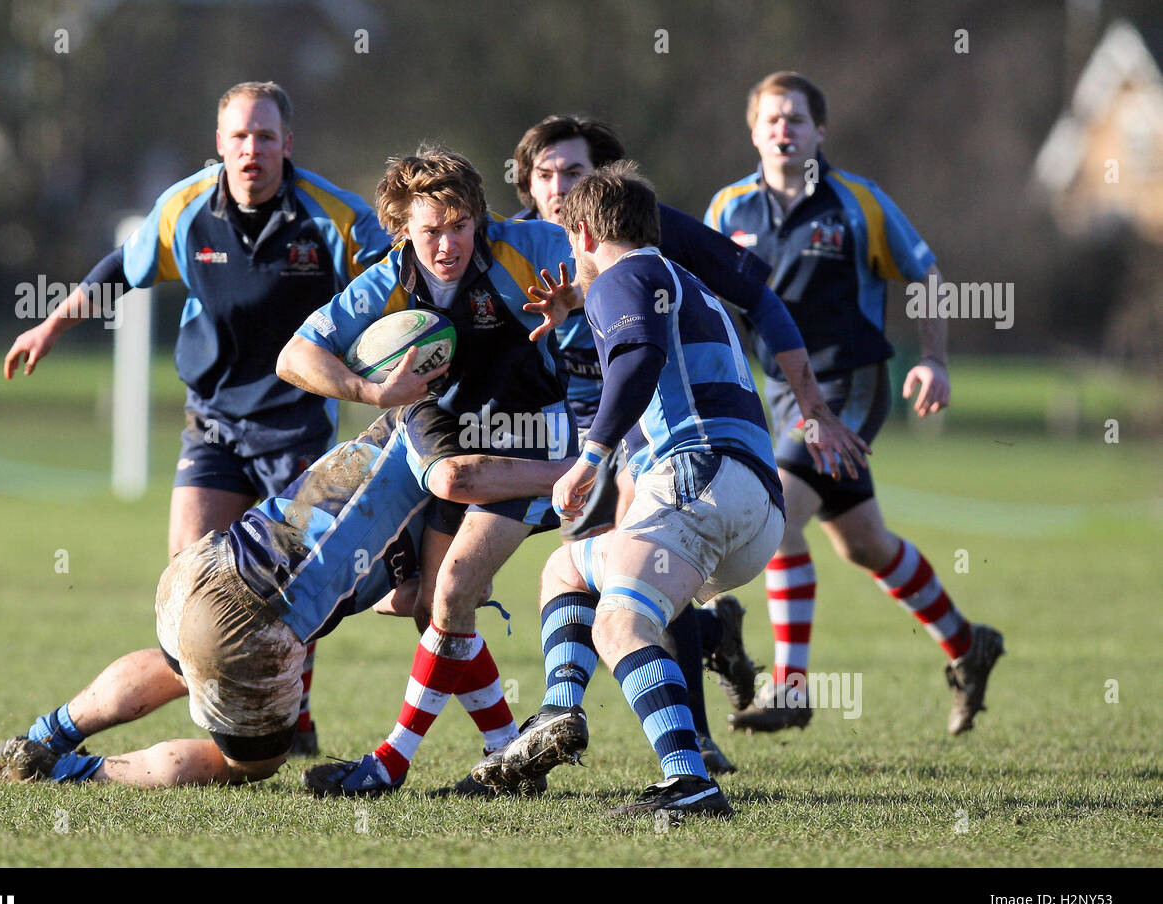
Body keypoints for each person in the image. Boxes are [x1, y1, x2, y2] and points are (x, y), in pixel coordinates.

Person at [2, 82, 394, 755]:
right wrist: (53, 325)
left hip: (296, 427)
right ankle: (225, 710)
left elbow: (403, 284)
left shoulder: (334, 218)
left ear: (287, 145)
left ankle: (293, 716)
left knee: (285, 595)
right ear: (220, 144)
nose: (252, 150)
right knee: (190, 594)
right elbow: (119, 273)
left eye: (265, 137)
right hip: (213, 421)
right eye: (239, 136)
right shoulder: (185, 210)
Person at [473, 162, 856, 819]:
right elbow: (649, 348)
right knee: (568, 568)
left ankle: (691, 781)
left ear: (587, 234)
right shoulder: (683, 281)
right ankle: (560, 713)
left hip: (696, 476)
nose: (571, 255)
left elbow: (640, 357)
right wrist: (573, 316)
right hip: (754, 507)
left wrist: (589, 457)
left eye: (570, 242)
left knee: (619, 624)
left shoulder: (624, 276)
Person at [0, 404, 572, 790]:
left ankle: (44, 735)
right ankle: (74, 773)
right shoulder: (439, 439)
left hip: (202, 569)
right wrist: (576, 470)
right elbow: (438, 596)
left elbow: (404, 594)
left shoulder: (391, 433)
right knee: (251, 763)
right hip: (250, 619)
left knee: (180, 665)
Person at [703, 72, 1003, 734]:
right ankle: (967, 644)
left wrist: (935, 359)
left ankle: (790, 686)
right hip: (781, 395)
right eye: (772, 119)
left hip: (851, 384)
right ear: (753, 131)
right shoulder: (727, 211)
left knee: (778, 514)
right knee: (864, 544)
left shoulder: (855, 203)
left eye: (797, 119)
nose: (784, 128)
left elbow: (925, 271)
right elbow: (702, 296)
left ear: (820, 132)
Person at [275, 147, 580, 796]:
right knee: (427, 609)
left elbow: (622, 267)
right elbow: (295, 355)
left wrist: (578, 297)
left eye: (461, 225)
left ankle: (391, 763)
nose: (448, 245)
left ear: (480, 219)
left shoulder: (529, 247)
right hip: (446, 433)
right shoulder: (385, 282)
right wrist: (368, 390)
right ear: (403, 229)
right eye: (431, 230)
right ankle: (509, 757)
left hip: (530, 439)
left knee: (450, 589)